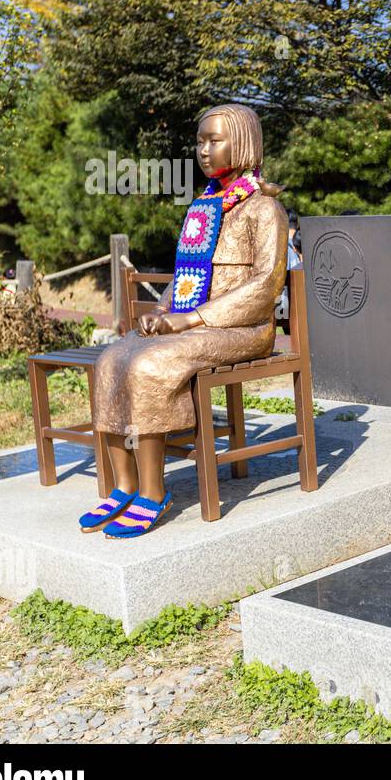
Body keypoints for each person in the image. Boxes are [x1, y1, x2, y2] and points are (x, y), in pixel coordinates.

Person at [80, 104, 288, 538]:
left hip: (242, 329)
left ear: (244, 142)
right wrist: (162, 312)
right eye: (199, 142)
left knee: (147, 365)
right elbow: (188, 275)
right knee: (110, 360)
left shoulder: (264, 210)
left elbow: (265, 286)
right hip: (195, 325)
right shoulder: (204, 207)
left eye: (214, 141)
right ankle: (124, 485)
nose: (204, 150)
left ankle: (154, 492)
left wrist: (191, 319)